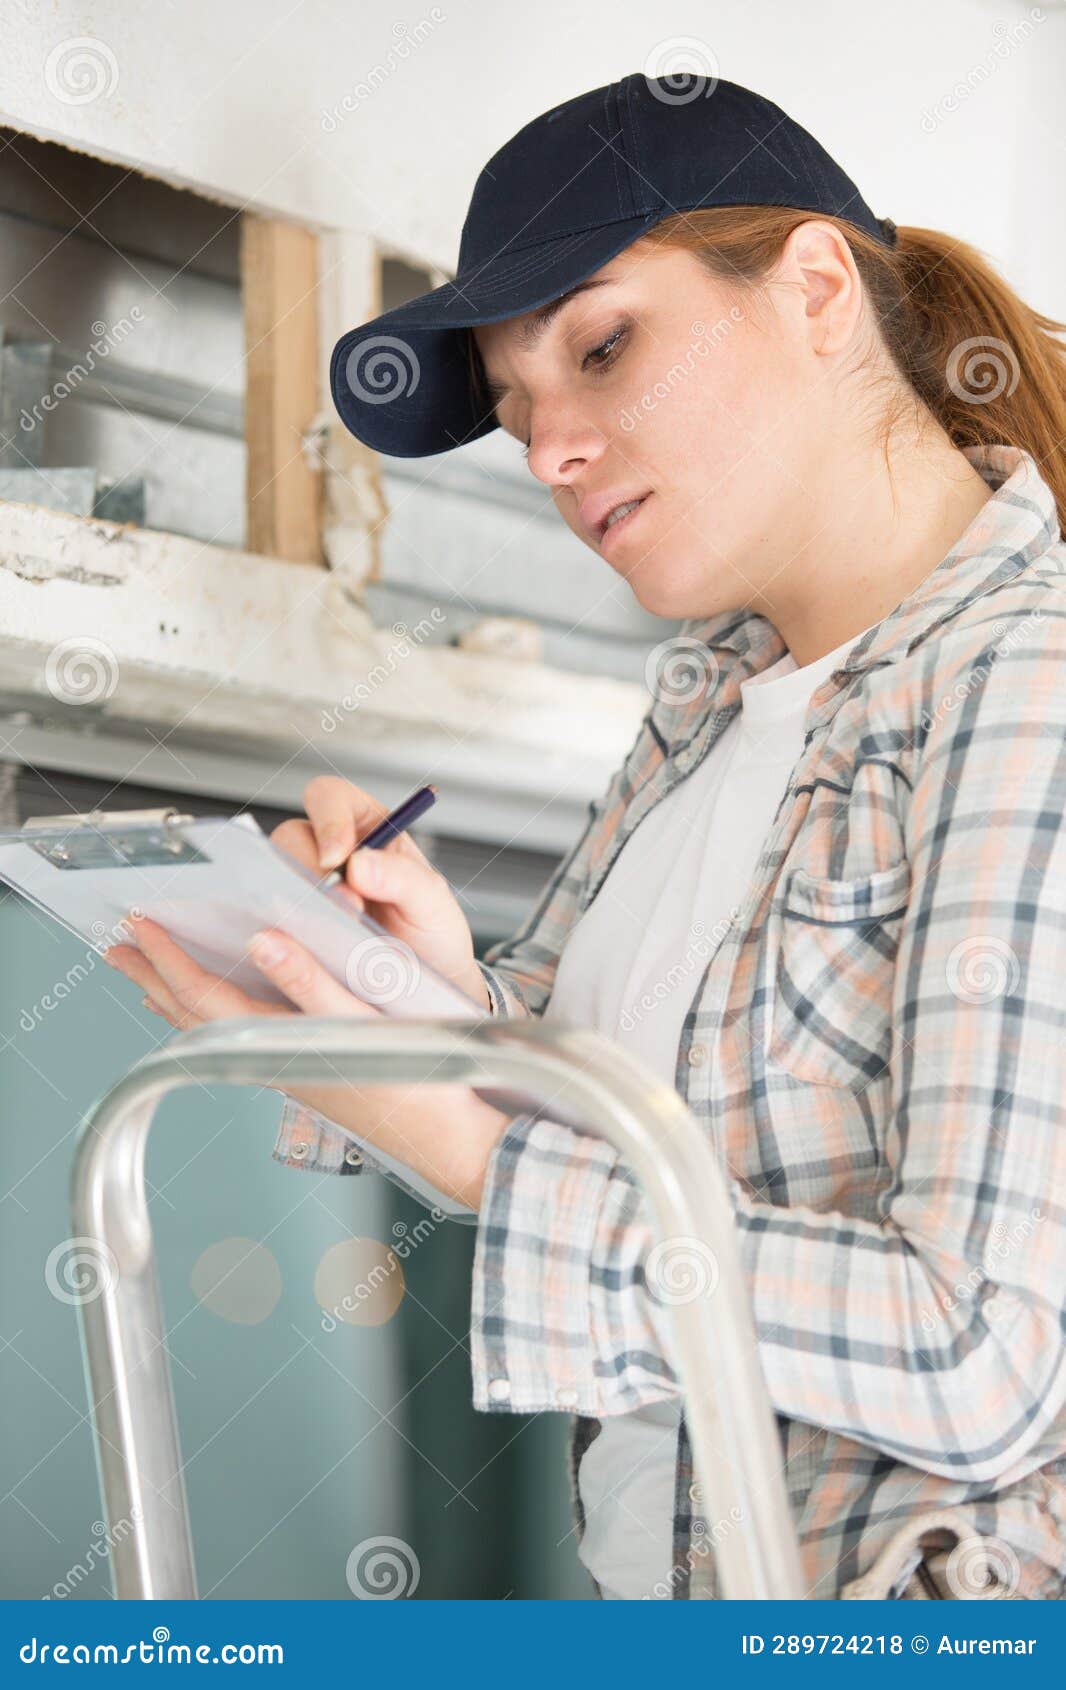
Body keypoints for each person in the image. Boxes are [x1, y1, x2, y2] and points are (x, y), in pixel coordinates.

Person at [105, 73, 1066, 1601]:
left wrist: (483, 1160)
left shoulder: (1025, 680)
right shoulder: (704, 710)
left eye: (601, 346)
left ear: (817, 289)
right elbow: (612, 1144)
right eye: (512, 408)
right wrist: (410, 1005)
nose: (550, 446)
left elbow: (984, 1354)